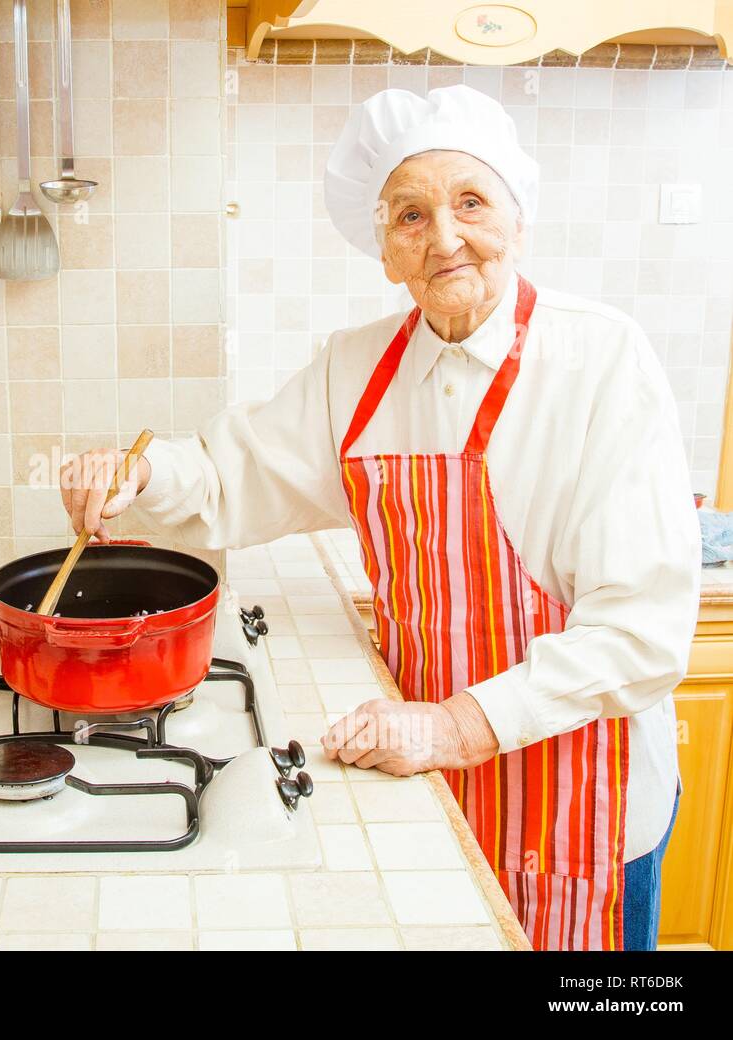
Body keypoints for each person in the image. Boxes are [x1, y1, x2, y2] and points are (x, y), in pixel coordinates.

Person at [58, 85, 698, 951]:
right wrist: (137, 472)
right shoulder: (356, 369)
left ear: (516, 217)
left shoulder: (602, 360)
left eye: (470, 202)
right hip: (425, 771)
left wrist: (456, 725)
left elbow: (642, 632)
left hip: (580, 787)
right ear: (385, 251)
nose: (444, 237)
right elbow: (231, 473)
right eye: (410, 215)